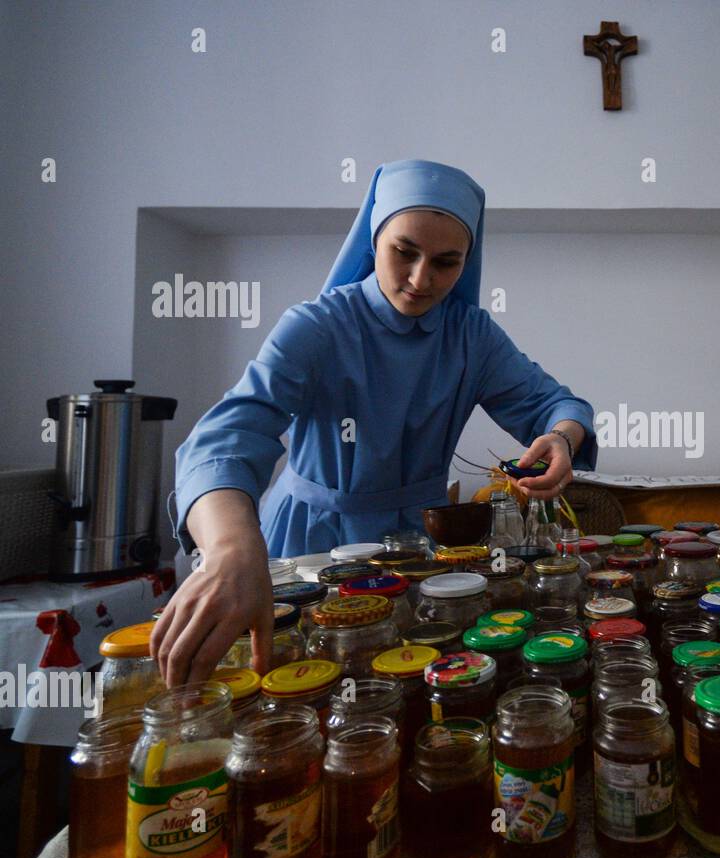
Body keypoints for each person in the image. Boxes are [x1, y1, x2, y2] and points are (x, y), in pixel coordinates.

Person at [151, 160, 597, 686]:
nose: (419, 279)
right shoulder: (317, 327)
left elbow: (556, 405)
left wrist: (563, 437)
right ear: (374, 237)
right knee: (298, 688)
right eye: (404, 253)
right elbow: (227, 438)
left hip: (414, 550)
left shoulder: (472, 337)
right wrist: (230, 549)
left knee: (400, 683)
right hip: (307, 545)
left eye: (446, 263)